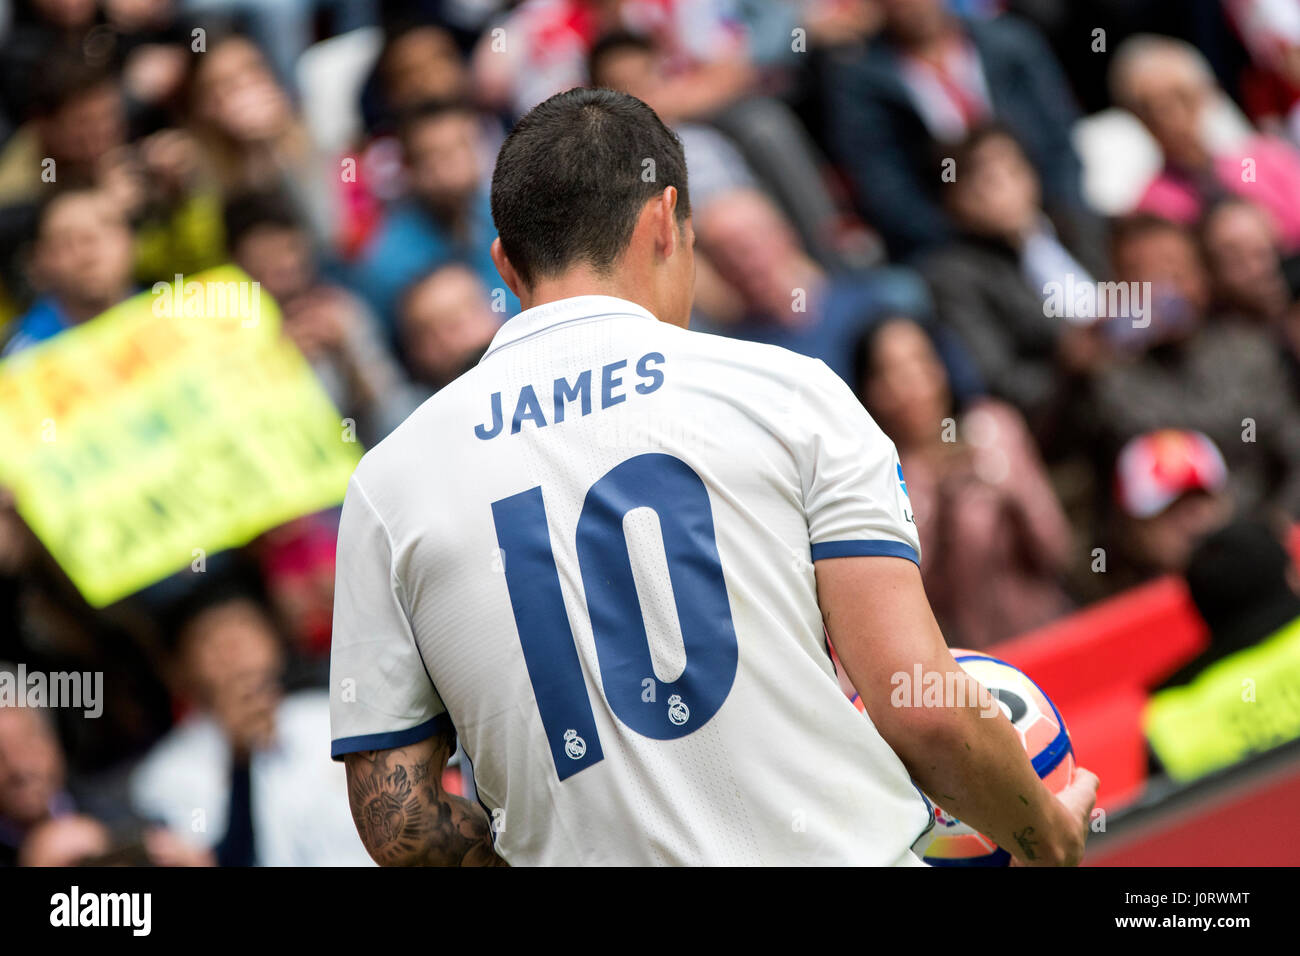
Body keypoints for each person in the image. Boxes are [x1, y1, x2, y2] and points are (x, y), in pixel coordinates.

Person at [329, 87, 1097, 866]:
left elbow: (403, 827)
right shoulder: (791, 393)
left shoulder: (390, 482)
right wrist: (1044, 834)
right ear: (666, 220)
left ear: (504, 263)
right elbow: (917, 705)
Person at [855, 317, 1074, 650]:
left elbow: (1057, 551)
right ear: (871, 392)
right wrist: (941, 512)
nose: (912, 381)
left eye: (921, 361)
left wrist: (1007, 491)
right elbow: (905, 610)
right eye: (890, 372)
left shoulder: (995, 428)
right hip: (973, 668)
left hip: (1055, 632)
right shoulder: (880, 485)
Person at [130, 588, 372, 866]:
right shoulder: (165, 776)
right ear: (179, 670)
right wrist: (240, 762)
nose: (232, 648)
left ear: (275, 639)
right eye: (207, 637)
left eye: (244, 625)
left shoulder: (332, 715)